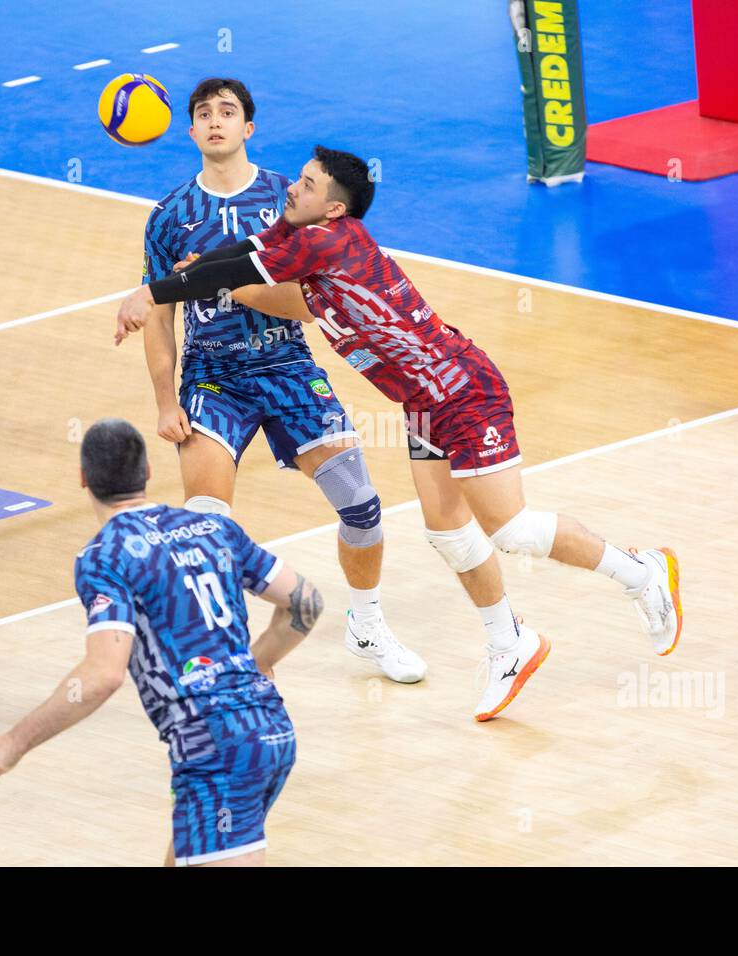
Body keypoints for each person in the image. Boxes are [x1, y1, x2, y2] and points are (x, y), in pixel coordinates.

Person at [114, 146, 683, 723]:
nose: (292, 188)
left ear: (334, 209)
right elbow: (238, 256)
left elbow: (234, 273)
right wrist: (184, 273)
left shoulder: (327, 242)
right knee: (449, 533)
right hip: (423, 401)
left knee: (511, 529)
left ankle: (640, 573)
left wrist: (153, 292)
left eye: (306, 185)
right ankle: (509, 643)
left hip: (462, 391)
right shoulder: (297, 237)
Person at [132, 77, 423, 684]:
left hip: (287, 365)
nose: (215, 121)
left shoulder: (287, 199)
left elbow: (306, 304)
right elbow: (160, 317)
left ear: (248, 127)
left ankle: (367, 625)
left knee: (362, 506)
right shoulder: (168, 217)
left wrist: (218, 279)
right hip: (212, 377)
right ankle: (220, 651)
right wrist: (163, 402)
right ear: (191, 130)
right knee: (207, 523)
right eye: (204, 113)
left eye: (227, 111)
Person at [0, 418, 321, 866]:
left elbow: (103, 675)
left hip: (213, 748)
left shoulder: (105, 556)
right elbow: (306, 603)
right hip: (272, 729)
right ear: (148, 471)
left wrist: (11, 744)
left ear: (83, 479)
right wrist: (254, 663)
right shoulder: (213, 528)